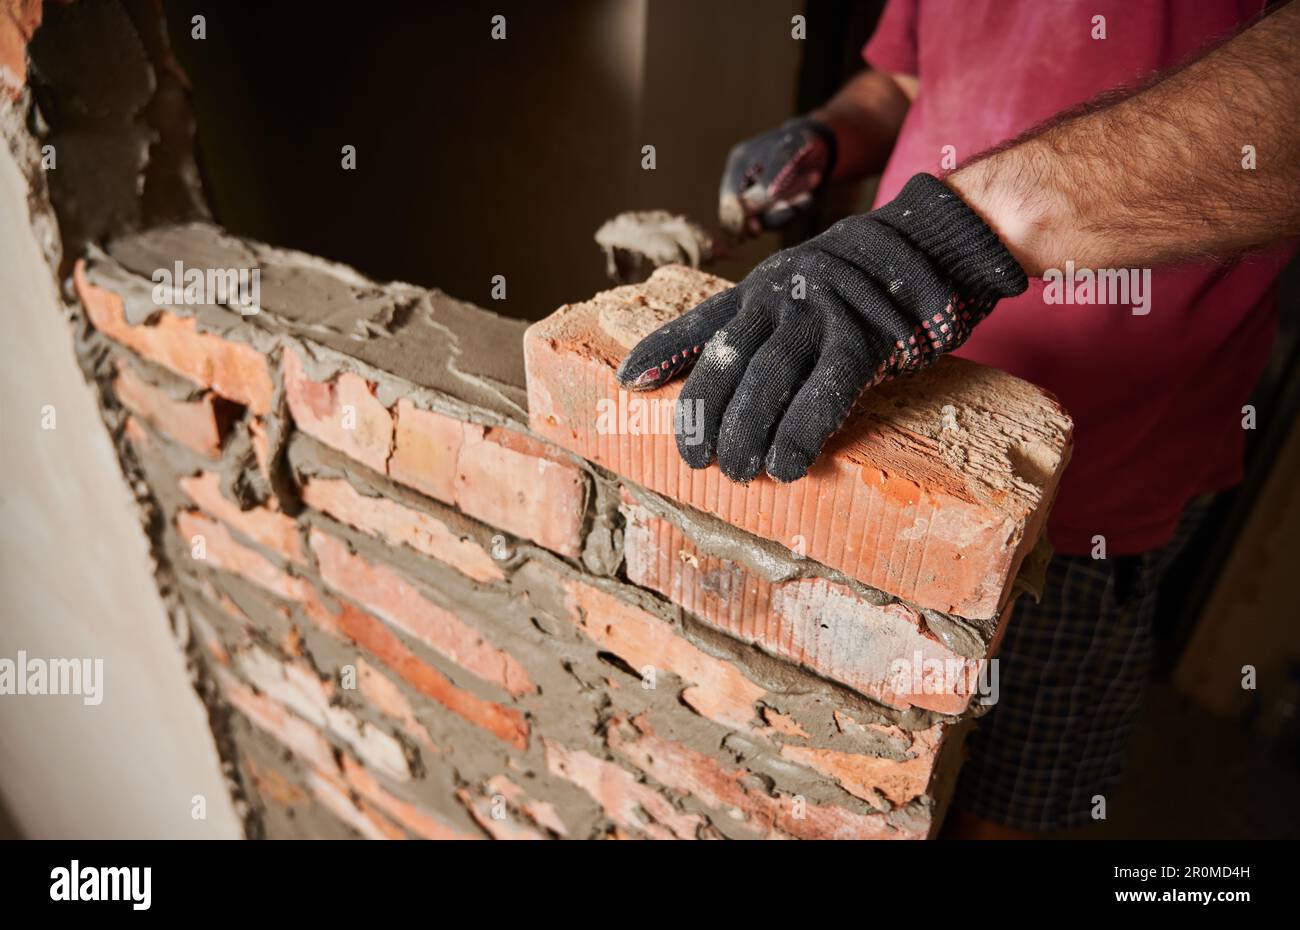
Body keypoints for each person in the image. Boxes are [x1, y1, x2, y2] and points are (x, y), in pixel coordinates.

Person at [616, 0, 1300, 838]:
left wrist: (935, 247)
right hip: (888, 415)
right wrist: (830, 135)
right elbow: (900, 78)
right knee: (856, 773)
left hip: (1094, 482)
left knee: (1010, 799)